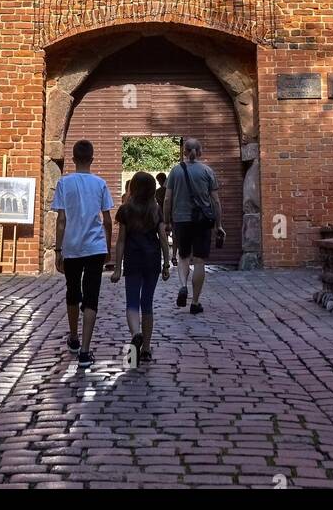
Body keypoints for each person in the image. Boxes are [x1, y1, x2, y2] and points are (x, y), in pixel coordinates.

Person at [52, 139, 113, 367]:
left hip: (72, 246)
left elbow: (61, 220)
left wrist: (58, 249)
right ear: (92, 159)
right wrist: (108, 246)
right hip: (95, 246)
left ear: (74, 159)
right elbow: (107, 220)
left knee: (72, 291)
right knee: (91, 296)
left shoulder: (64, 183)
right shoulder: (100, 184)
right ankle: (86, 351)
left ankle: (74, 336)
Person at [111, 172, 171, 364]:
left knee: (132, 303)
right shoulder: (156, 209)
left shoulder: (125, 210)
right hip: (152, 259)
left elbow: (120, 241)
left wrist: (117, 268)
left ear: (132, 188)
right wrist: (167, 263)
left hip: (133, 259)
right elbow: (163, 238)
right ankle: (145, 349)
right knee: (147, 303)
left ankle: (136, 333)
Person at [163, 137, 224, 315]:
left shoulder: (175, 171)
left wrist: (167, 221)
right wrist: (218, 224)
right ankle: (195, 302)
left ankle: (183, 286)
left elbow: (167, 199)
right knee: (199, 261)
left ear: (184, 151)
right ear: (200, 152)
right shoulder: (207, 171)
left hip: (181, 220)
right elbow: (216, 201)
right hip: (202, 221)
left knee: (183, 256)